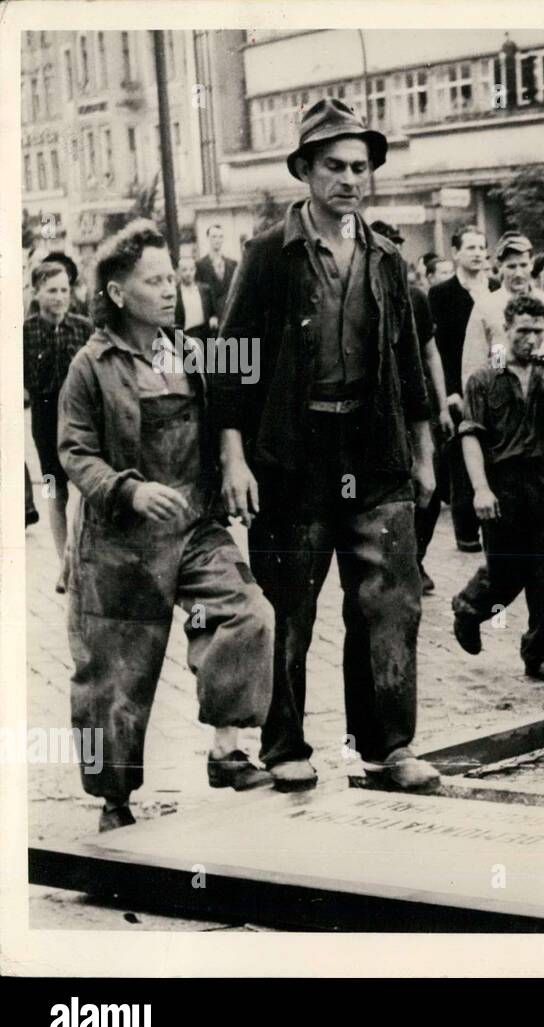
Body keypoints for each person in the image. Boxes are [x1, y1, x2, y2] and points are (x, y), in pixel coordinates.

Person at [213, 97, 439, 795]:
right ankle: (285, 744)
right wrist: (232, 456)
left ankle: (387, 747)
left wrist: (424, 451)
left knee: (390, 600)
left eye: (360, 167)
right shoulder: (268, 257)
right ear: (305, 171)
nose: (349, 178)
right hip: (292, 452)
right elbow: (231, 361)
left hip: (373, 450)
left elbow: (408, 365)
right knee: (290, 602)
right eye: (335, 166)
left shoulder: (387, 260)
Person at [59, 219, 275, 832]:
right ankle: (113, 801)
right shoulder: (90, 365)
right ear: (119, 293)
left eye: (173, 277)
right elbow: (73, 451)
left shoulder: (189, 351)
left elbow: (226, 412)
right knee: (114, 677)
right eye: (153, 280)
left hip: (195, 525)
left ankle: (228, 750)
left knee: (247, 614)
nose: (169, 290)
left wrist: (233, 466)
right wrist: (127, 489)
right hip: (121, 543)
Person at [451, 294, 544, 681]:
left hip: (543, 481)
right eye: (523, 332)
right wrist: (481, 489)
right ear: (506, 329)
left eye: (538, 331)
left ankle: (540, 653)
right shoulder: (484, 378)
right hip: (503, 483)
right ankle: (470, 607)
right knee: (506, 573)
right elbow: (470, 436)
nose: (531, 340)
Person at [371, 220, 449, 596]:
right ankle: (399, 561)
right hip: (380, 411)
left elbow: (430, 354)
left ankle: (416, 556)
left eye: (399, 246)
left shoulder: (416, 297)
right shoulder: (363, 294)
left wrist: (442, 403)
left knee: (431, 484)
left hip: (418, 406)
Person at [24, 259, 94, 585]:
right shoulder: (24, 331)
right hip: (45, 417)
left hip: (81, 417)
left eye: (64, 289)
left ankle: (80, 557)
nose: (59, 297)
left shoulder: (83, 328)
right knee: (54, 489)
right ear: (37, 293)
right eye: (52, 290)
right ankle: (64, 563)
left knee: (84, 487)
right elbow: (25, 380)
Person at [428, 225, 493, 552]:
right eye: (470, 247)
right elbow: (439, 349)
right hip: (459, 389)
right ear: (456, 253)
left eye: (482, 247)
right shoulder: (442, 295)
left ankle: (495, 524)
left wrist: (498, 377)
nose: (478, 253)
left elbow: (500, 341)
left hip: (491, 385)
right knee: (461, 459)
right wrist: (451, 390)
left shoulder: (494, 290)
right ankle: (466, 532)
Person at [461, 231, 544, 384]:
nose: (518, 273)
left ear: (531, 264)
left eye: (523, 265)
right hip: (500, 395)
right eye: (511, 266)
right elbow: (473, 366)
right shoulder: (486, 306)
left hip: (542, 395)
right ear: (500, 267)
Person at [195, 224, 239, 316]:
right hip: (210, 319)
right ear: (207, 238)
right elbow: (199, 294)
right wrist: (211, 316)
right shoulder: (199, 265)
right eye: (214, 236)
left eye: (220, 237)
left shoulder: (233, 264)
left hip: (230, 315)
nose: (217, 240)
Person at [174, 254, 218, 345]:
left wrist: (214, 319)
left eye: (191, 269)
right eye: (184, 270)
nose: (188, 273)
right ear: (178, 272)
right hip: (186, 337)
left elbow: (213, 313)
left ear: (195, 270)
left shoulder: (205, 289)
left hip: (206, 335)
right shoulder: (174, 293)